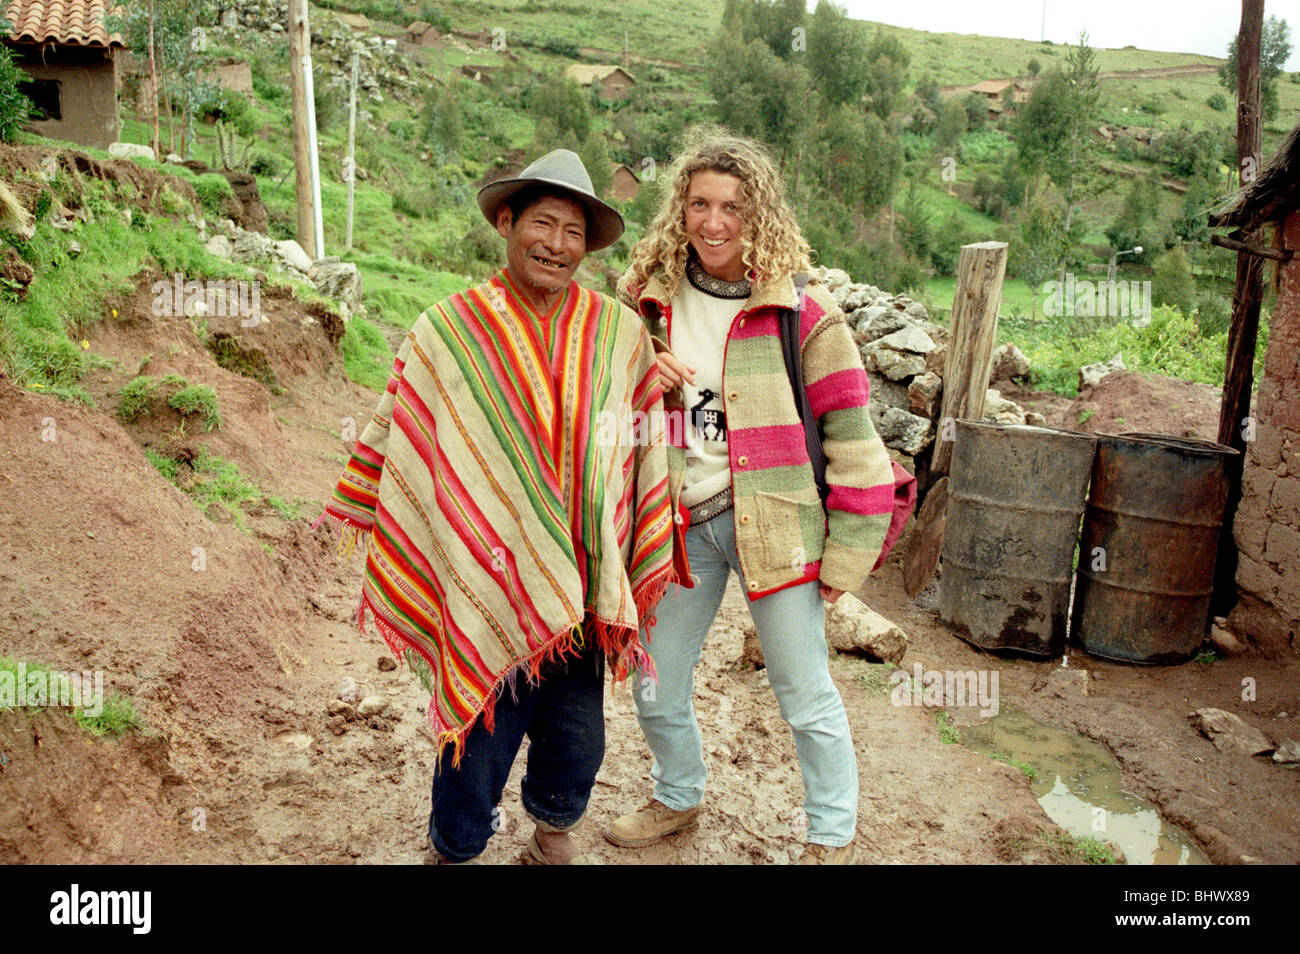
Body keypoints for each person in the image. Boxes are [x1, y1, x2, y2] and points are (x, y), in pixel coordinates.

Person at [315, 149, 680, 864]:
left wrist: (655, 390)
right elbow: (402, 424)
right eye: (543, 224)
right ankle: (454, 847)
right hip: (482, 580)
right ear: (506, 223)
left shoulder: (616, 334)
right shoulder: (447, 330)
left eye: (574, 233)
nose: (558, 245)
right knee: (478, 733)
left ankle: (551, 832)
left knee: (579, 738)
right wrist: (363, 493)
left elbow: (632, 431)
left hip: (579, 585)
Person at [605, 130, 897, 864]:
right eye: (699, 203)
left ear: (756, 211)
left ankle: (830, 837)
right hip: (676, 522)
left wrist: (848, 556)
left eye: (730, 206)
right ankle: (679, 794)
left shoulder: (805, 314)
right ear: (681, 208)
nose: (713, 222)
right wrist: (640, 369)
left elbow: (855, 440)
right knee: (655, 686)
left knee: (805, 695)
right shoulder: (646, 302)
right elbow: (602, 405)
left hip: (777, 523)